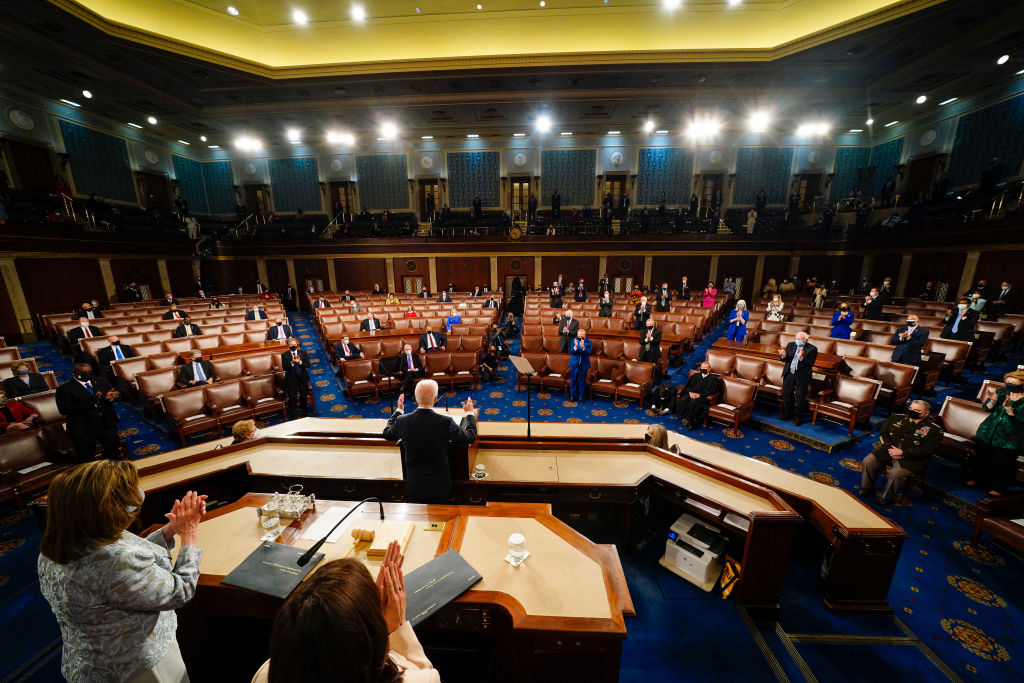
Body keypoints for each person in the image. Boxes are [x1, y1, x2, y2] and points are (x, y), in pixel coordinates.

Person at [38, 461, 205, 683]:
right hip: (136, 669)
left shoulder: (63, 542)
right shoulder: (116, 559)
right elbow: (179, 590)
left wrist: (170, 529)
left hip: (86, 660)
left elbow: (121, 559)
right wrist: (189, 534)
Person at [253, 541, 437, 683]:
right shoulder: (423, 679)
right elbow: (423, 674)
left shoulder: (264, 674)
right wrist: (395, 628)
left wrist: (368, 618)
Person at [383, 381, 476, 503]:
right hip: (439, 487)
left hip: (414, 485)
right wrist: (469, 413)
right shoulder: (445, 422)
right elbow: (470, 436)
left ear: (416, 399)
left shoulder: (402, 421)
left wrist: (399, 411)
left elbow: (387, 433)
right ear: (436, 398)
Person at [860, 400, 942, 504]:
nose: (912, 411)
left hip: (910, 458)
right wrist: (891, 449)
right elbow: (883, 434)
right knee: (868, 461)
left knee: (896, 473)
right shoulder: (896, 418)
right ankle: (866, 488)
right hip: (888, 450)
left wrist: (903, 452)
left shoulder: (934, 430)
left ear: (926, 413)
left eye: (917, 410)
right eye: (911, 409)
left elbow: (927, 450)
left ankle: (887, 498)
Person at [968, 371, 1024, 496]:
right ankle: (977, 479)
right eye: (1008, 383)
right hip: (988, 432)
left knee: (1002, 465)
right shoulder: (1001, 393)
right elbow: (987, 408)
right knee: (981, 458)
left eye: (1013, 383)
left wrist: (1010, 410)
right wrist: (992, 400)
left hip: (1010, 439)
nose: (1009, 385)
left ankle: (999, 488)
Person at [56, 362, 120, 461]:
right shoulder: (64, 389)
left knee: (114, 455)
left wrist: (111, 398)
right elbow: (64, 410)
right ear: (74, 373)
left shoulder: (101, 381)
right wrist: (90, 402)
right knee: (87, 459)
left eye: (89, 371)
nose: (87, 374)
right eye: (83, 372)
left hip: (106, 424)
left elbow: (112, 397)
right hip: (84, 429)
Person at [779, 332, 817, 426]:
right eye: (796, 338)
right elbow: (787, 359)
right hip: (789, 373)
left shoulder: (812, 349)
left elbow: (811, 363)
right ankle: (787, 413)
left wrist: (801, 358)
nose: (797, 341)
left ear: (806, 340)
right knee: (787, 395)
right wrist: (783, 355)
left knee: (800, 398)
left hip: (802, 376)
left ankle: (797, 417)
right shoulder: (791, 345)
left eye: (800, 339)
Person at [674, 361, 720, 429]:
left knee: (693, 402)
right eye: (702, 368)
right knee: (683, 400)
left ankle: (689, 420)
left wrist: (700, 395)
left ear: (709, 369)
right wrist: (690, 393)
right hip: (692, 394)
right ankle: (684, 417)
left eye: (705, 368)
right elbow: (688, 386)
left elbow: (711, 391)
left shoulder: (713, 379)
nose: (703, 369)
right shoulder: (695, 376)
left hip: (702, 397)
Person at [282, 337, 310, 419]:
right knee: (293, 398)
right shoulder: (284, 355)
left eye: (295, 344)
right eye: (291, 345)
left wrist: (300, 362)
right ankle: (294, 416)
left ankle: (305, 413)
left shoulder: (303, 353)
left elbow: (308, 365)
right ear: (288, 345)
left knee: (304, 397)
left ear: (297, 344)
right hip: (291, 379)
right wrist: (292, 363)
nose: (293, 346)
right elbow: (284, 368)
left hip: (302, 378)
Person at [568, 329, 591, 403]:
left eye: (582, 337)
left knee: (582, 382)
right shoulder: (573, 341)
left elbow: (588, 352)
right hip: (574, 364)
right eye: (579, 337)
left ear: (585, 336)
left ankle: (581, 397)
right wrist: (576, 346)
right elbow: (571, 351)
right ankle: (572, 396)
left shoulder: (588, 342)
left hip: (583, 365)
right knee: (573, 381)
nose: (580, 338)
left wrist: (583, 347)